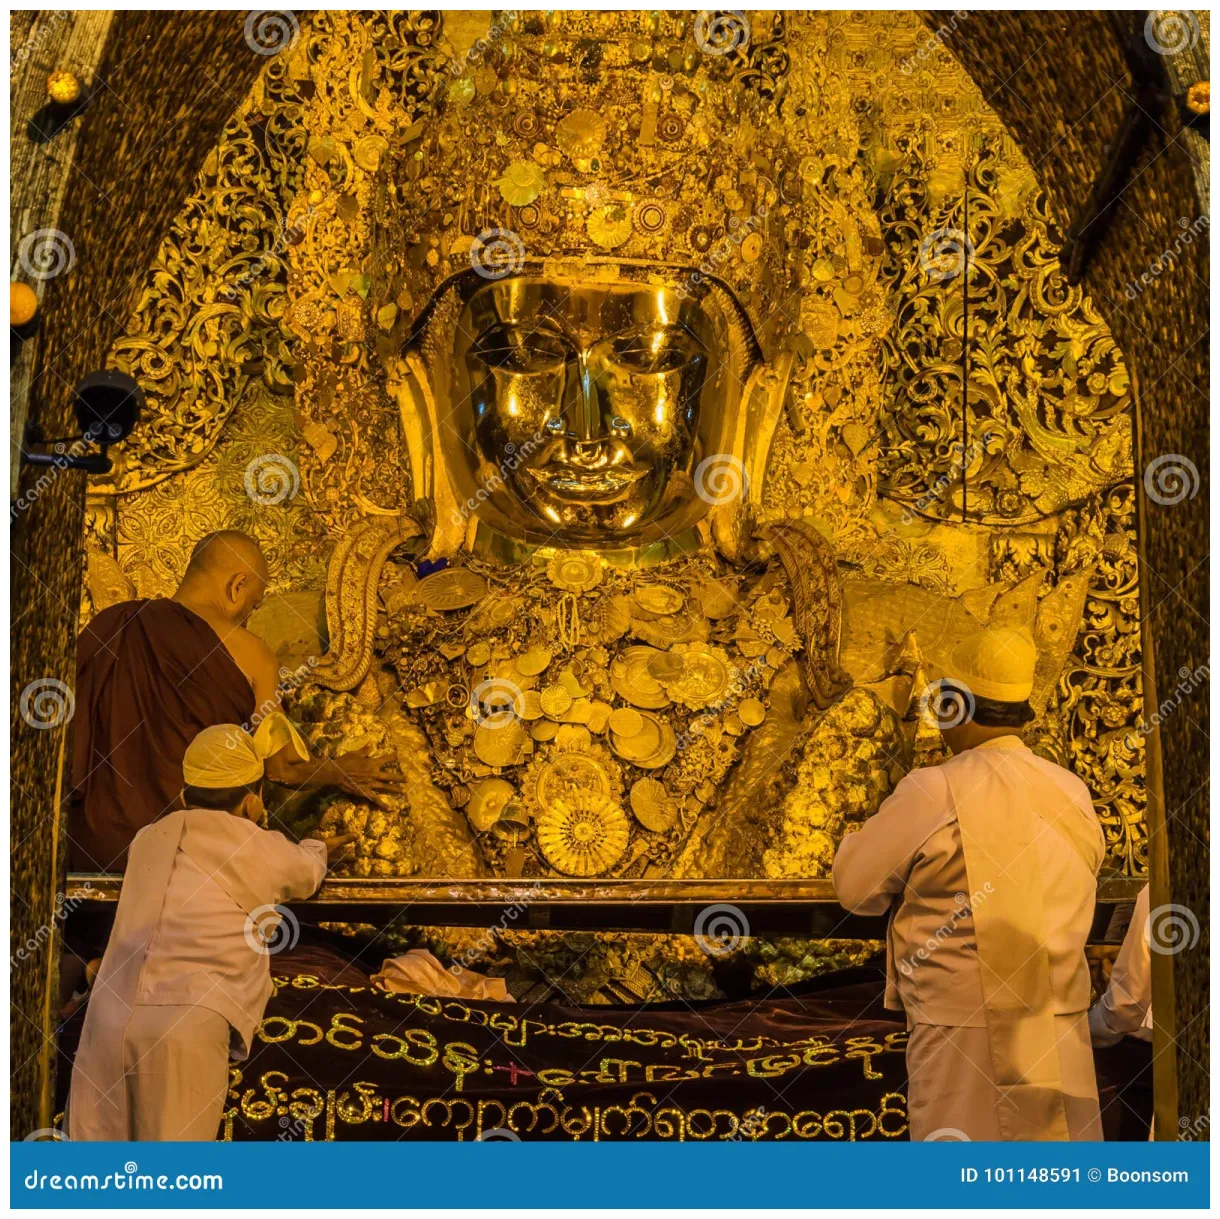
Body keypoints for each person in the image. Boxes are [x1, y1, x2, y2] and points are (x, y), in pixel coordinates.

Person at [833, 626, 1106, 1141]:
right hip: (1058, 1021)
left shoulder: (933, 790)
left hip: (962, 1029)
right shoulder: (1072, 791)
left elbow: (855, 889)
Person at [67, 715, 358, 1141]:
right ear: (253, 803)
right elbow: (306, 872)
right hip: (186, 1022)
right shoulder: (260, 844)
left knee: (103, 1180)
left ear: (184, 795)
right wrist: (317, 847)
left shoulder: (148, 837)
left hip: (112, 1016)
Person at [70, 530, 398, 870]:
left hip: (91, 847)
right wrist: (339, 771)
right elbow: (281, 768)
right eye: (253, 605)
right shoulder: (252, 654)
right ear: (237, 585)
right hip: (188, 856)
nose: (249, 617)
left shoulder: (111, 625)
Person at [1090, 883, 1153, 1046]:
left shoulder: (1162, 885)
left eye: (1114, 960)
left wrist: (1079, 1029)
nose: (1104, 974)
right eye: (1093, 965)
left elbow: (1126, 1004)